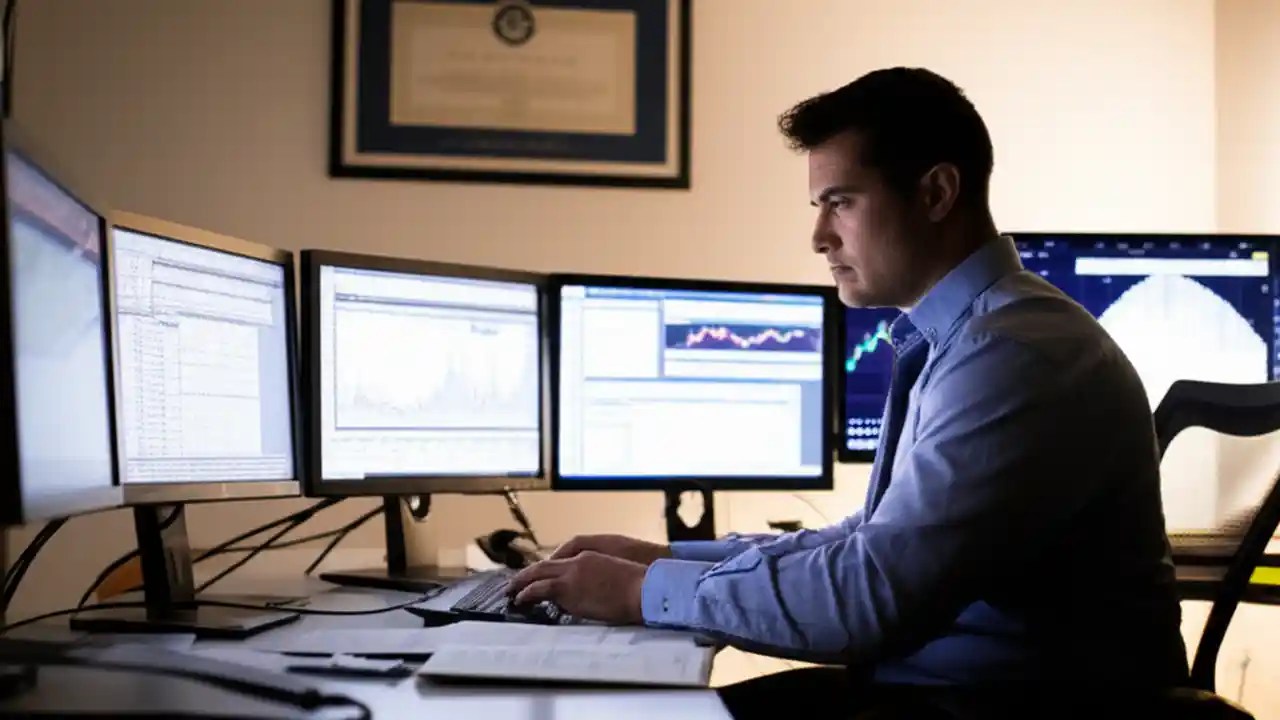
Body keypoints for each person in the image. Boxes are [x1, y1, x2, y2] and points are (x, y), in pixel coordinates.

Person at [506, 67, 1189, 719]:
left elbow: (867, 600)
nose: (818, 237)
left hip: (1017, 709)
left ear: (936, 193)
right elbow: (868, 543)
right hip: (958, 694)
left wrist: (639, 591)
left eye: (840, 202)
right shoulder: (971, 335)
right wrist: (665, 559)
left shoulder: (1011, 355)